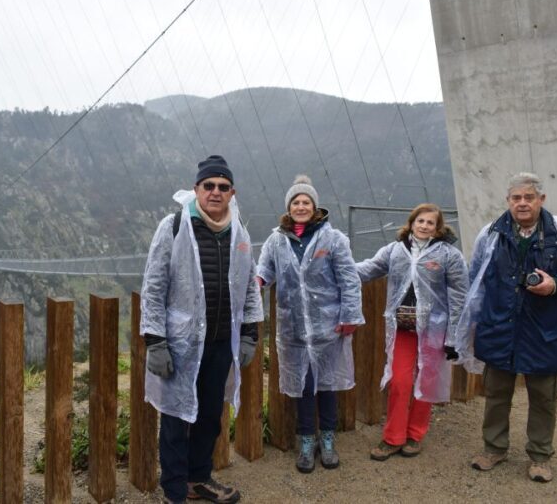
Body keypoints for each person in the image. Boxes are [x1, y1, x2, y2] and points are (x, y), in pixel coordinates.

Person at [455, 172, 557, 483]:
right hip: (499, 327)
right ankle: (494, 448)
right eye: (516, 198)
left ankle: (540, 455)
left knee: (544, 397)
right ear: (508, 201)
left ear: (541, 200)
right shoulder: (490, 234)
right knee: (495, 394)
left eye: (529, 197)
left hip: (544, 330)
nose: (522, 203)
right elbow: (475, 278)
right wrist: (473, 323)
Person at [141, 155, 264, 504]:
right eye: (208, 185)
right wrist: (155, 341)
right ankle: (175, 492)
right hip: (181, 345)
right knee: (176, 420)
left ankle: (198, 480)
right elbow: (153, 285)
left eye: (223, 187)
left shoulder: (239, 231)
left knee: (210, 416)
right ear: (196, 188)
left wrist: (251, 333)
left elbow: (249, 287)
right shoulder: (175, 225)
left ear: (232, 192)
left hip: (222, 342)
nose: (215, 192)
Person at [256, 175, 363, 473]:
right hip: (294, 330)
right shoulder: (276, 240)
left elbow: (349, 280)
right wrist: (256, 282)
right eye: (295, 202)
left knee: (327, 385)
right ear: (288, 207)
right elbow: (264, 269)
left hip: (328, 327)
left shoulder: (333, 239)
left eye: (306, 202)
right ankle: (306, 440)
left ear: (315, 207)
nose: (300, 206)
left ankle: (327, 440)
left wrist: (349, 316)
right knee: (303, 386)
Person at [356, 203, 468, 461]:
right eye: (421, 221)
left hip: (433, 328)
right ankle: (393, 437)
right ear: (412, 222)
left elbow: (459, 295)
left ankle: (415, 435)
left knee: (426, 382)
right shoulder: (395, 250)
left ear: (438, 228)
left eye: (431, 223)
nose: (425, 226)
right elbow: (369, 268)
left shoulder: (449, 255)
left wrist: (453, 337)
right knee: (400, 381)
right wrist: (338, 269)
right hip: (403, 328)